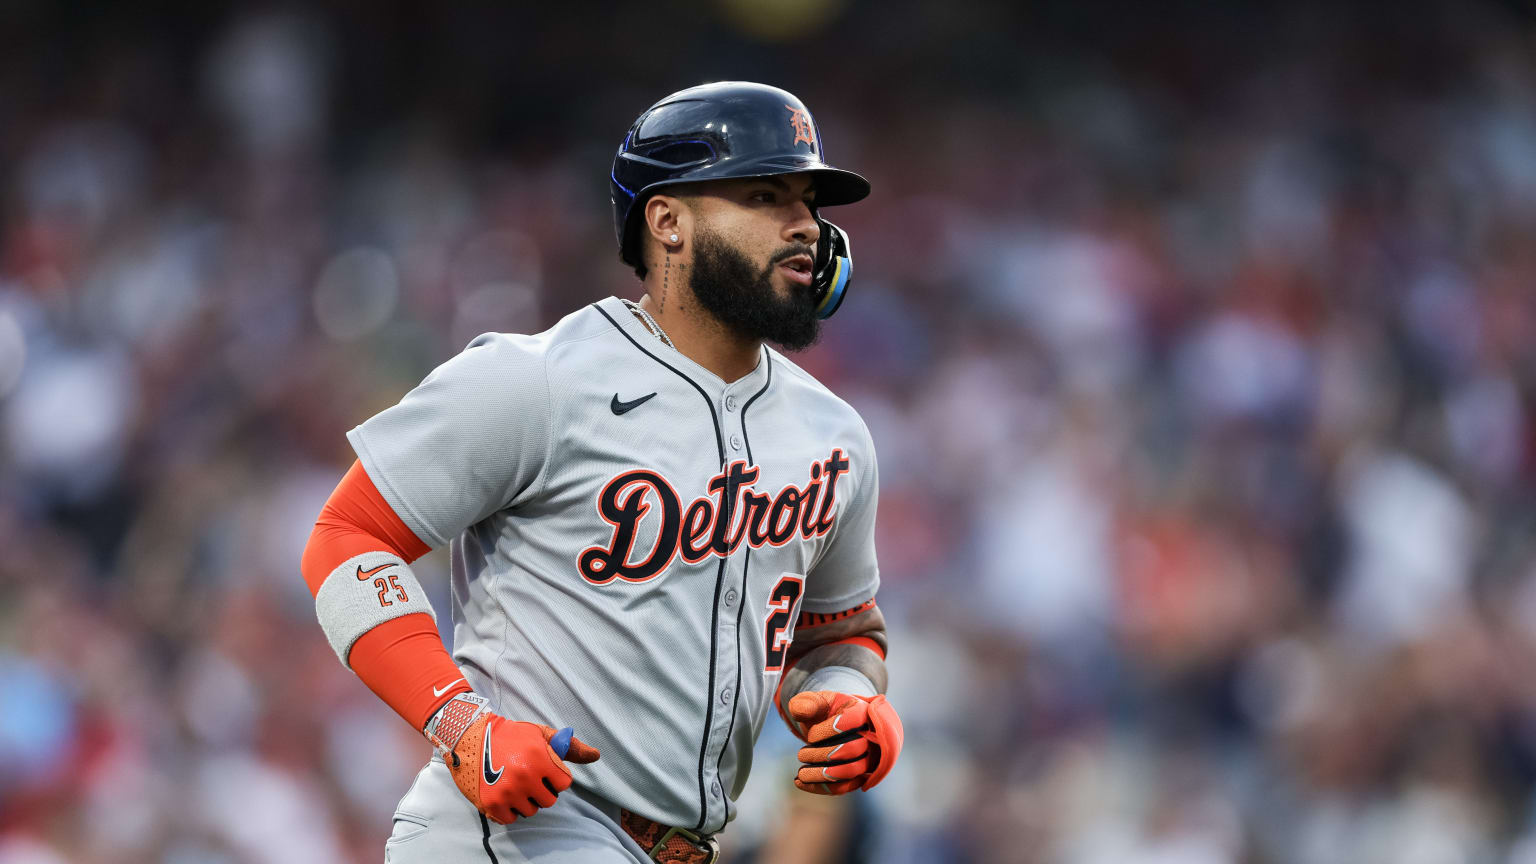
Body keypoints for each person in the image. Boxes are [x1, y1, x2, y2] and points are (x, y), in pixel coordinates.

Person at [300, 80, 902, 864]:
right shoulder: (540, 380)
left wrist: (854, 699)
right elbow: (344, 537)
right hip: (524, 832)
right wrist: (462, 724)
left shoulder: (836, 436)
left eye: (811, 203)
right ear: (668, 221)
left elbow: (842, 632)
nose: (805, 227)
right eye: (765, 194)